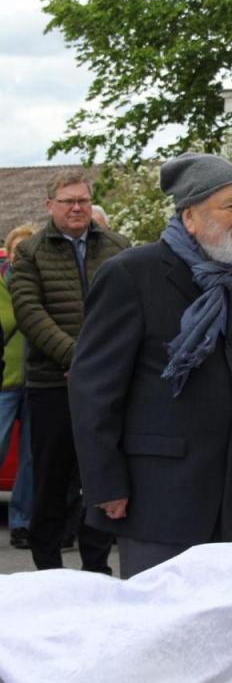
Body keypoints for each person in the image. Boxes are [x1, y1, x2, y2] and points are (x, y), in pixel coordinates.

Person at [69, 153, 232, 578]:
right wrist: (105, 483)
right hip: (156, 496)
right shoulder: (131, 275)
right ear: (190, 217)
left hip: (227, 499)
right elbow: (94, 390)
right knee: (158, 626)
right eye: (230, 206)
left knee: (220, 626)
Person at [9, 169, 129, 573]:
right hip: (52, 386)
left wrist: (100, 368)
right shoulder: (29, 252)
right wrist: (79, 361)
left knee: (99, 477)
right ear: (50, 207)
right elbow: (30, 314)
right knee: (51, 481)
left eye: (83, 200)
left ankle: (97, 568)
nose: (77, 208)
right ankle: (48, 571)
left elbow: (129, 312)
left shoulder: (117, 247)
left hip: (106, 387)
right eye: (68, 201)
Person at [1, 224, 37, 549]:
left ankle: (22, 523)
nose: (22, 258)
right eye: (17, 252)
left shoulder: (42, 285)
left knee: (29, 458)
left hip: (37, 383)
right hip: (3, 383)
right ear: (9, 255)